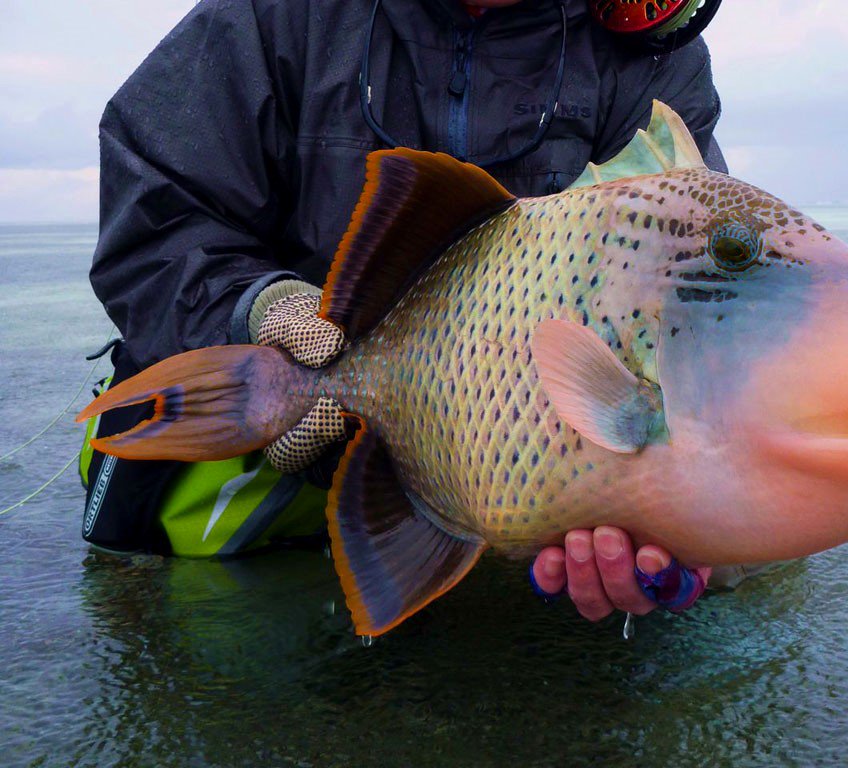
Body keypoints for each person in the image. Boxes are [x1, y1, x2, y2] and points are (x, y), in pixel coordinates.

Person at [83, 0, 730, 624]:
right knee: (169, 598)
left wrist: (692, 517)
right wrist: (256, 310)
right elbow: (158, 209)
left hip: (524, 449)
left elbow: (698, 296)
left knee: (702, 563)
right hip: (289, 419)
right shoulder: (271, 13)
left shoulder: (647, 45)